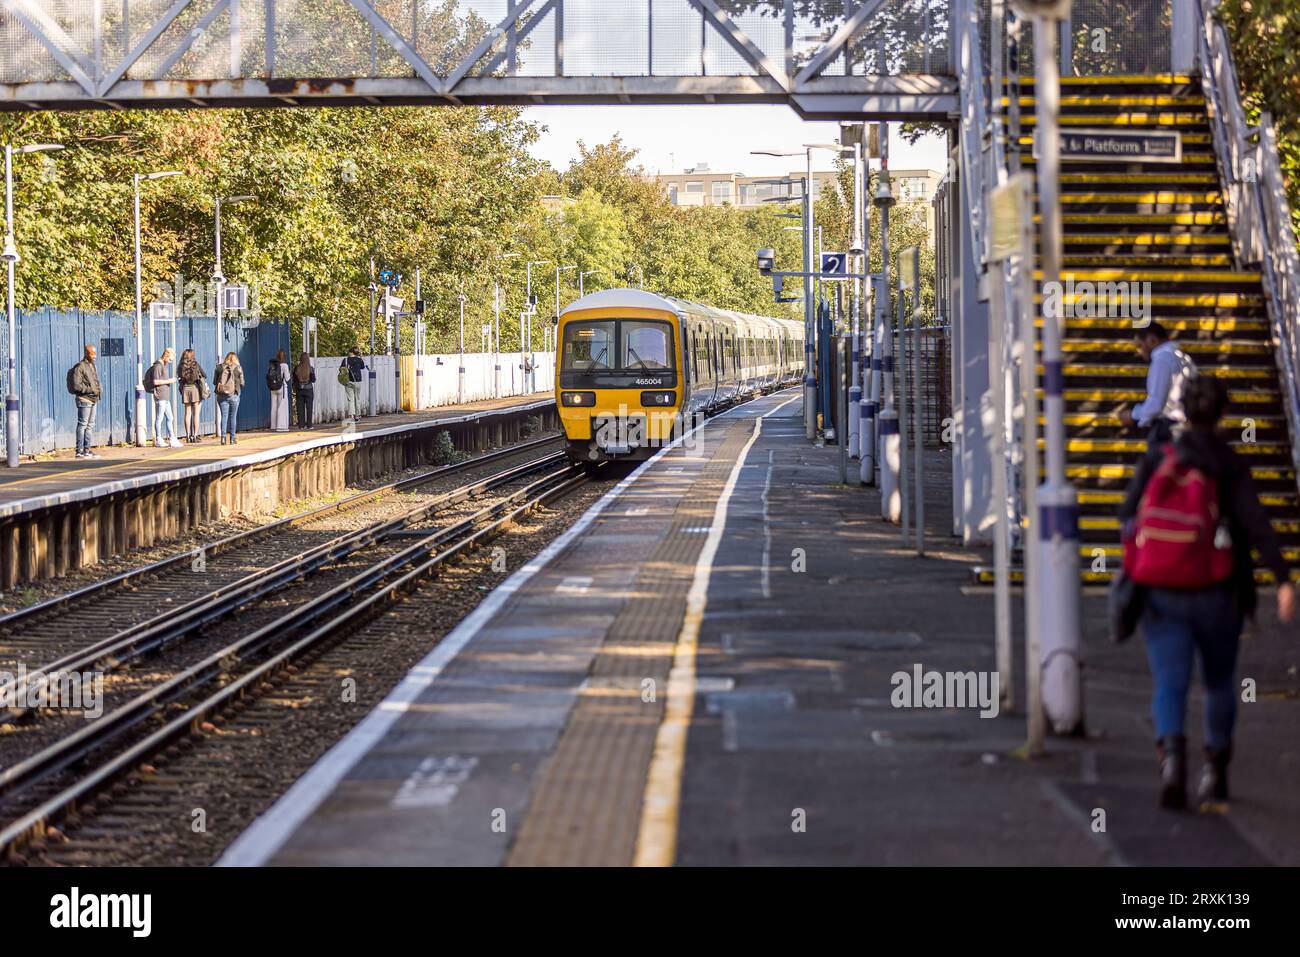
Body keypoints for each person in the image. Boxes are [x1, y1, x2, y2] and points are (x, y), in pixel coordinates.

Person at [1120, 376, 1295, 809]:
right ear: (1224, 413)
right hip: (1220, 591)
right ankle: (1215, 768)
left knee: (1170, 683)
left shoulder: (1161, 456)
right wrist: (1283, 579)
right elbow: (1258, 525)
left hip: (1161, 589)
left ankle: (1172, 762)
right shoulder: (1230, 463)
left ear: (1182, 409)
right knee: (1218, 683)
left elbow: (1127, 515)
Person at [1120, 321, 1197, 448]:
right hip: (1185, 427)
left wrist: (1133, 414)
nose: (1139, 352)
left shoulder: (1162, 360)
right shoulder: (1183, 358)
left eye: (1140, 345)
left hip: (1169, 430)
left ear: (1152, 340)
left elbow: (1156, 403)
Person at [68, 344, 102, 460]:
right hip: (84, 399)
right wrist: (90, 390)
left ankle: (87, 450)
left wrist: (97, 391)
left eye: (95, 353)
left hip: (93, 399)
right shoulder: (80, 367)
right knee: (82, 424)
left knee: (90, 425)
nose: (95, 356)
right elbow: (77, 385)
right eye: (93, 354)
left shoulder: (92, 366)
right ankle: (79, 451)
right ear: (87, 353)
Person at [145, 346, 181, 448]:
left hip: (165, 396)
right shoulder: (158, 366)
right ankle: (159, 439)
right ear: (166, 356)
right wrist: (169, 381)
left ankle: (172, 438)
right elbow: (155, 381)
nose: (170, 362)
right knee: (159, 418)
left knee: (170, 417)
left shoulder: (163, 365)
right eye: (170, 359)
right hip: (160, 395)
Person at [214, 351, 244, 445]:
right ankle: (232, 438)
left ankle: (223, 438)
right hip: (234, 395)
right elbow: (243, 383)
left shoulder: (219, 367)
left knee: (224, 416)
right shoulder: (238, 368)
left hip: (221, 395)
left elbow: (215, 382)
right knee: (233, 416)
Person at [177, 348, 208, 443]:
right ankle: (195, 435)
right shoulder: (195, 365)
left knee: (187, 413)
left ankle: (187, 436)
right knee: (196, 413)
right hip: (195, 388)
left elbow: (180, 379)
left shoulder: (180, 366)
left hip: (185, 389)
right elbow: (204, 375)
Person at [293, 352, 316, 429]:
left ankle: (301, 425)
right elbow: (313, 380)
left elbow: (294, 380)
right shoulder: (310, 368)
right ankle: (309, 425)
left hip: (299, 390)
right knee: (309, 408)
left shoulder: (297, 368)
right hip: (309, 389)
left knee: (300, 408)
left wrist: (297, 385)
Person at [269, 349, 290, 431]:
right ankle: (281, 426)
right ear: (284, 356)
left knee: (273, 406)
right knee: (282, 406)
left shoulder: (273, 365)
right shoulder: (285, 365)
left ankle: (273, 425)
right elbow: (287, 378)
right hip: (282, 387)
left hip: (273, 387)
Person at [342, 346, 365, 423]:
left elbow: (341, 369)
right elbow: (362, 367)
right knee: (357, 399)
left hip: (348, 381)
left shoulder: (345, 360)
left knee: (350, 399)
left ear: (351, 352)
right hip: (358, 381)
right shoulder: (359, 360)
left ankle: (351, 417)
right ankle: (357, 416)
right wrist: (361, 358)